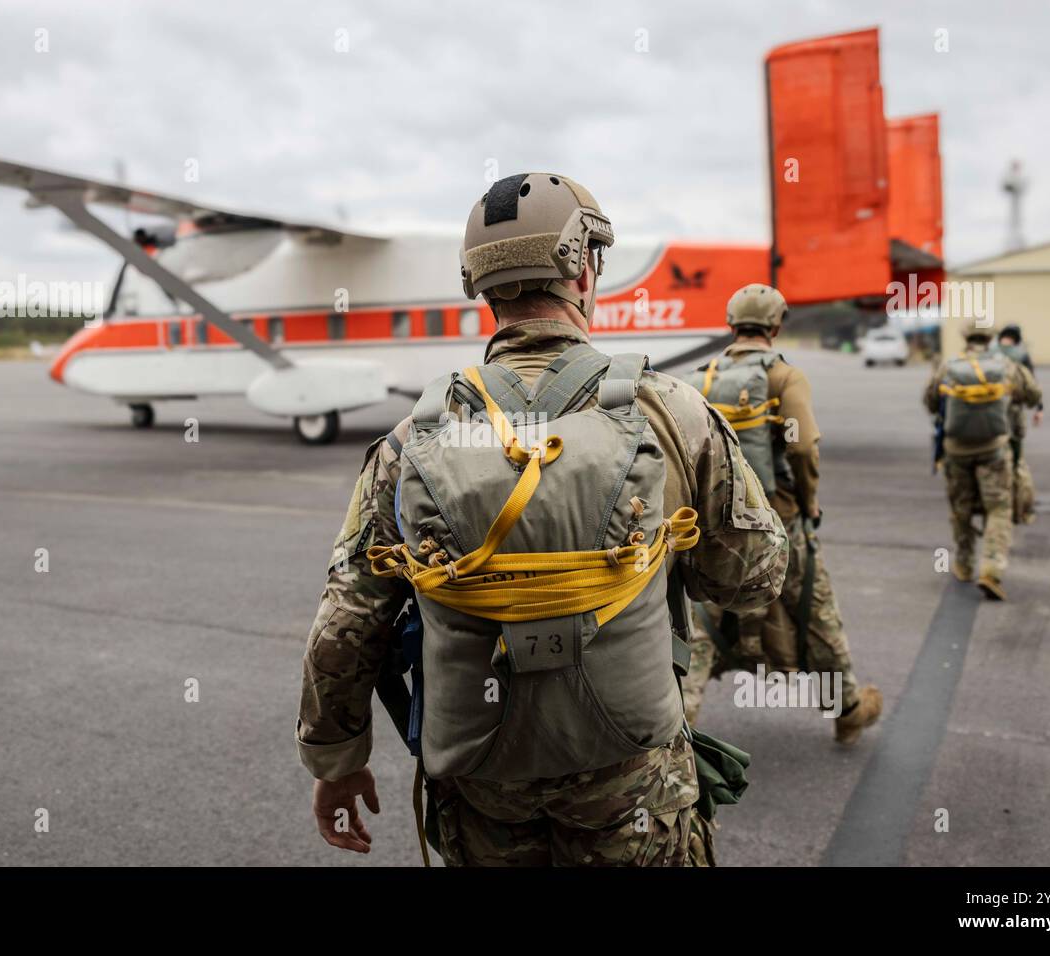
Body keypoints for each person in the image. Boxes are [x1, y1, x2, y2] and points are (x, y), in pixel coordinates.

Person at [296, 173, 788, 867]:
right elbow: (753, 579)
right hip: (633, 781)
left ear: (481, 284)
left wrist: (335, 759)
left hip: (481, 784)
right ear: (584, 268)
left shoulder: (413, 437)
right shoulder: (672, 411)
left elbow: (347, 621)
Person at [679, 284, 883, 745]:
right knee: (814, 607)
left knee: (702, 625)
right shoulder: (784, 376)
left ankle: (677, 725)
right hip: (777, 522)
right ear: (776, 325)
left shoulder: (696, 379)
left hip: (712, 524)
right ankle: (848, 707)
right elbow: (804, 447)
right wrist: (808, 498)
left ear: (731, 324)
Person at [924, 317, 1042, 600]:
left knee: (961, 506)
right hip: (994, 450)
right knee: (998, 507)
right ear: (990, 339)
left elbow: (930, 402)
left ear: (966, 339)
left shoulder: (949, 366)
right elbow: (1033, 395)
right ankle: (991, 569)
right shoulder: (1007, 366)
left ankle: (964, 564)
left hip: (956, 450)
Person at [994, 324, 1042, 524]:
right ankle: (1020, 510)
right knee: (1016, 463)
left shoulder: (988, 354)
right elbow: (1032, 386)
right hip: (1012, 418)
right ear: (1017, 339)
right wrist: (1039, 408)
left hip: (990, 418)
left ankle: (994, 505)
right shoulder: (1021, 355)